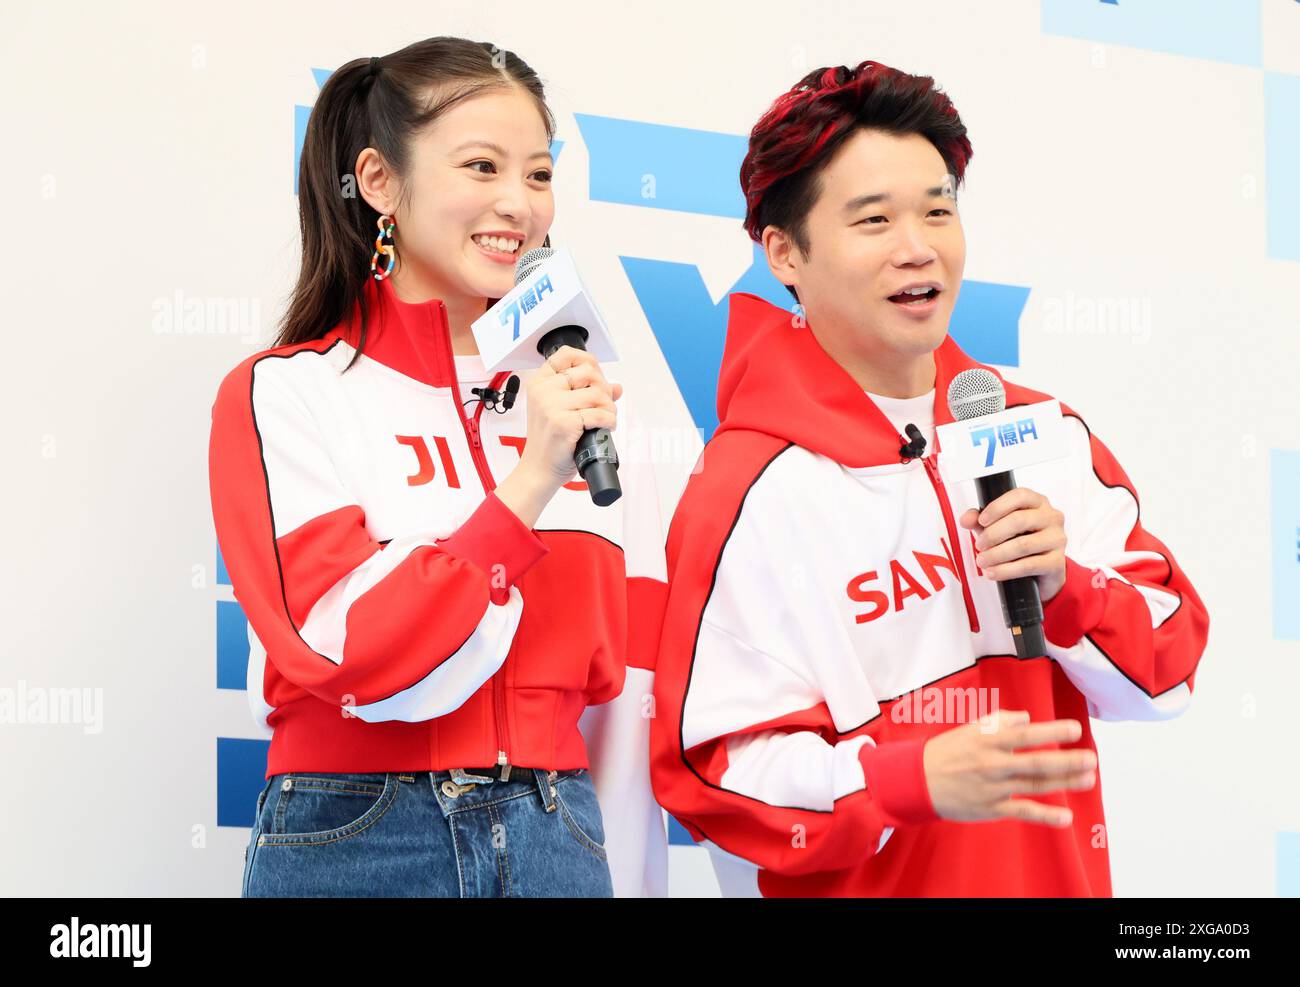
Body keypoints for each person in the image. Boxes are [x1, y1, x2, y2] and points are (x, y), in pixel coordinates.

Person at [649, 60, 1209, 897]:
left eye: (937, 210)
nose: (919, 247)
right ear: (783, 252)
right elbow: (716, 773)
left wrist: (1069, 590)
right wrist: (903, 779)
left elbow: (1168, 671)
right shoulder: (748, 489)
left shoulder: (1041, 432)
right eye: (873, 220)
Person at [208, 37, 667, 897]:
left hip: (559, 830)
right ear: (379, 180)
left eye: (538, 174)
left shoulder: (580, 395)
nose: (518, 205)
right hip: (357, 830)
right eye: (482, 167)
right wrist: (526, 484)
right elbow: (342, 648)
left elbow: (628, 692)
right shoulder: (289, 392)